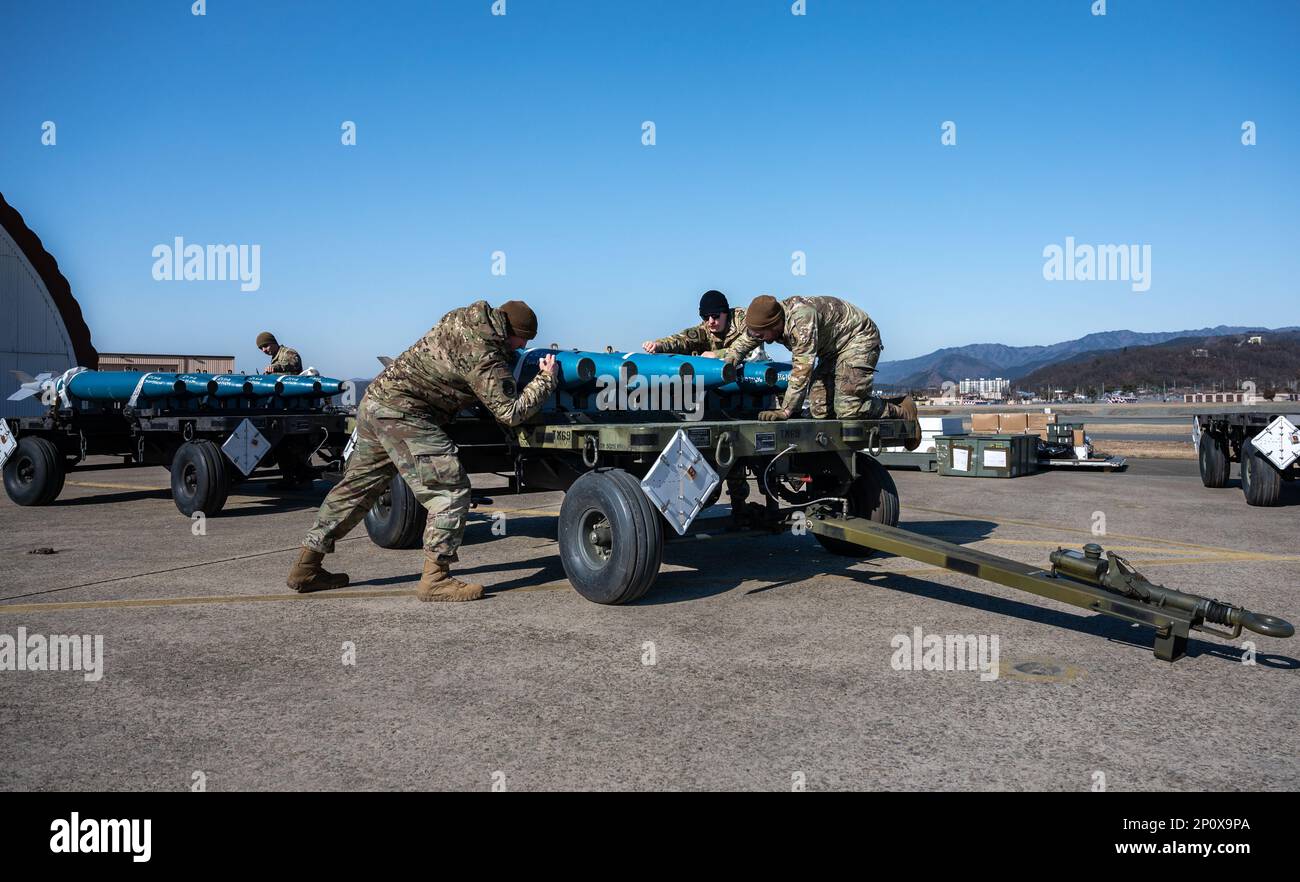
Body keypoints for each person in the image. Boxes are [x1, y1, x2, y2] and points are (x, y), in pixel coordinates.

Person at [287, 300, 559, 601]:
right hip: (404, 414)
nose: (523, 345)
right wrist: (545, 379)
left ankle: (306, 566)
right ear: (511, 330)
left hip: (376, 403)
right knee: (450, 489)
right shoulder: (484, 352)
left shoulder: (465, 320)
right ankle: (436, 579)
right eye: (523, 339)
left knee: (356, 491)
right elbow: (509, 412)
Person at [723, 294, 915, 428]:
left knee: (848, 409)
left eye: (762, 335)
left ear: (774, 325)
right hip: (832, 350)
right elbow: (746, 340)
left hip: (857, 339)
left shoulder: (801, 320)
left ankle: (900, 409)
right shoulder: (765, 321)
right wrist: (731, 359)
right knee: (820, 409)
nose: (759, 339)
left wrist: (786, 411)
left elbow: (801, 370)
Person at [641, 290, 761, 360]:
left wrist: (716, 355)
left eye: (715, 316)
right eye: (705, 317)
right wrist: (658, 345)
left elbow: (753, 351)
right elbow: (682, 339)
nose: (710, 322)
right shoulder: (705, 329)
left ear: (725, 313)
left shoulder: (745, 320)